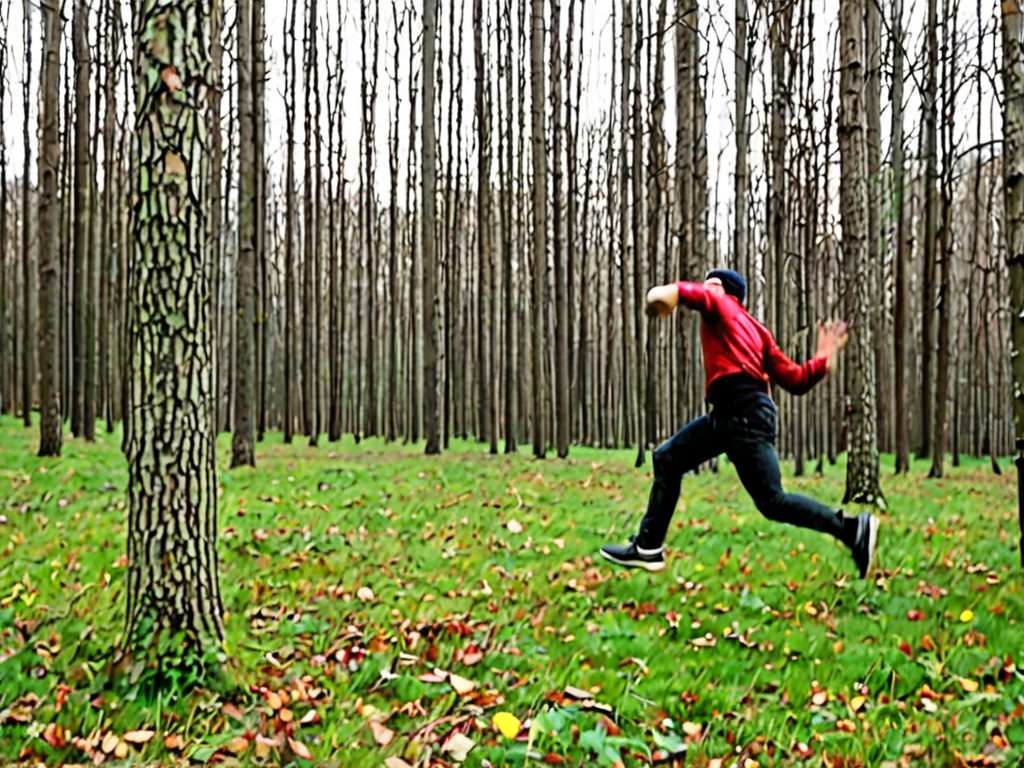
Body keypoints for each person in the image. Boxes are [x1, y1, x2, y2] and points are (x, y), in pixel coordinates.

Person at [599, 269, 878, 578]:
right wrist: (822, 360)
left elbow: (700, 297)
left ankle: (853, 530)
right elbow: (796, 380)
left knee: (773, 501)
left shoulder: (723, 306)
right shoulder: (758, 332)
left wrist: (671, 292)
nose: (706, 289)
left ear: (727, 292)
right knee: (668, 458)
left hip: (743, 414)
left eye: (712, 285)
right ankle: (648, 547)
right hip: (732, 416)